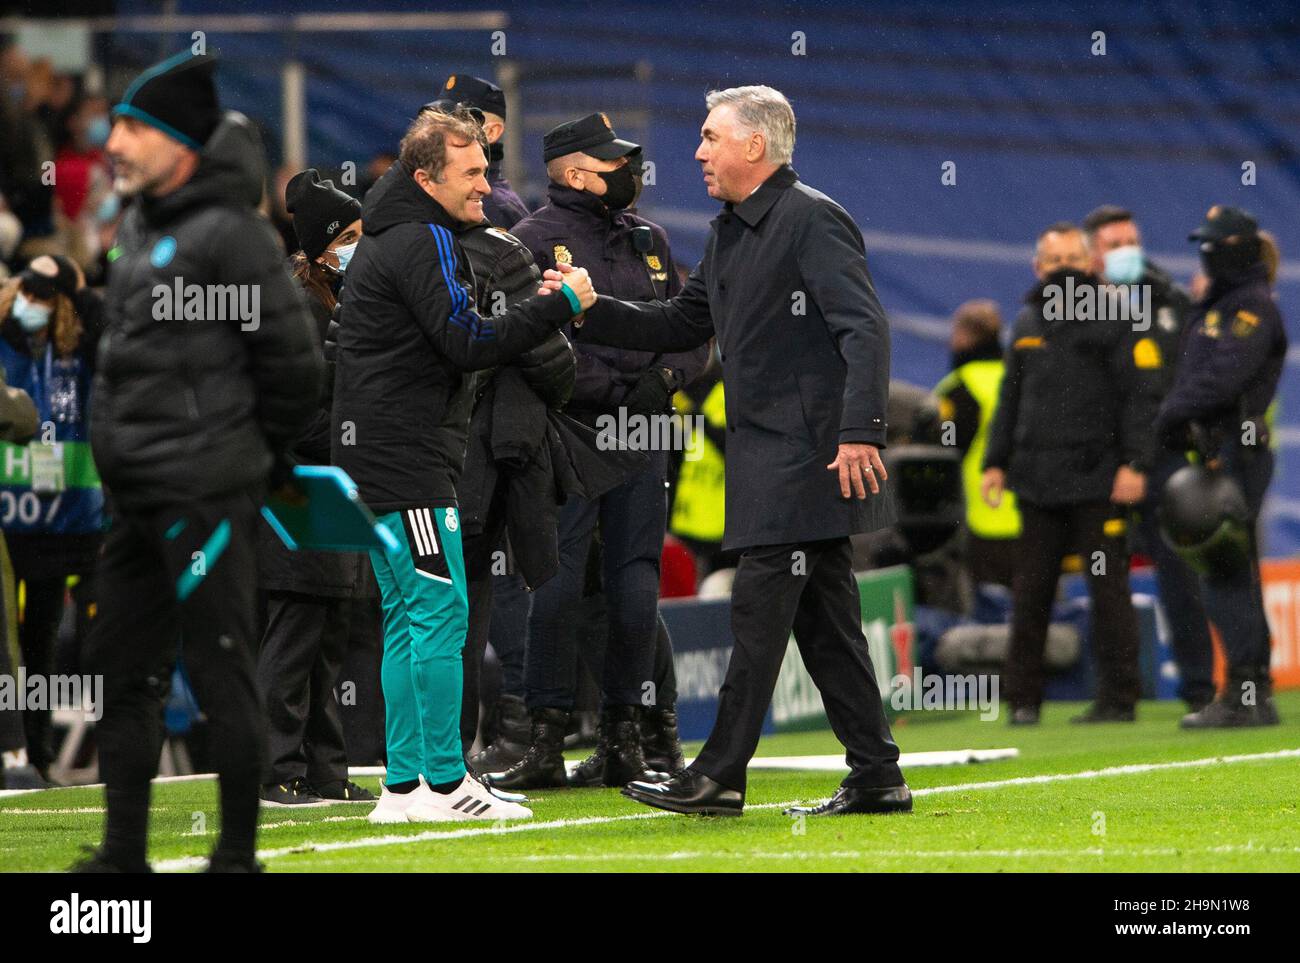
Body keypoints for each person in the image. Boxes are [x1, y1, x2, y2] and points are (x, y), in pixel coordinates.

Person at [566, 86, 908, 817]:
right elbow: (679, 321)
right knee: (827, 625)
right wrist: (588, 308)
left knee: (757, 618)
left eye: (710, 136)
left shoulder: (811, 218)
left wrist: (861, 431)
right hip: (774, 461)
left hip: (808, 460)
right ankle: (878, 773)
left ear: (754, 145)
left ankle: (718, 773)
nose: (697, 151)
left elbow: (865, 328)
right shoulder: (731, 230)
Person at [77, 51, 322, 873]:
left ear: (178, 141)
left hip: (205, 495)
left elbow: (294, 369)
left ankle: (236, 855)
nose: (115, 141)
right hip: (134, 499)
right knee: (123, 678)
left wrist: (252, 461)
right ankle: (121, 855)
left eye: (132, 127)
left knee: (223, 675)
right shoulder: (141, 224)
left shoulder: (233, 235)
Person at [330, 107, 595, 824]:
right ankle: (445, 782)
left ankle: (404, 784)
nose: (486, 183)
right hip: (409, 461)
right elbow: (468, 341)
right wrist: (558, 305)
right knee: (441, 612)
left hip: (374, 459)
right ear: (426, 178)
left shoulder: (389, 237)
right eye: (472, 171)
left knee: (406, 618)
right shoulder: (424, 238)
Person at [484, 113, 706, 791]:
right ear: (575, 172)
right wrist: (619, 387)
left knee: (635, 579)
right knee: (554, 580)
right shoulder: (530, 243)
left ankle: (624, 736)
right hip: (569, 428)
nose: (628, 174)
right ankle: (545, 738)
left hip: (641, 431)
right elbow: (523, 341)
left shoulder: (651, 238)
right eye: (613, 164)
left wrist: (665, 382)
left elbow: (692, 328)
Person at [982, 222, 1157, 726]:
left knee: (1107, 590)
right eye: (1052, 262)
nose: (1061, 271)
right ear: (1038, 267)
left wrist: (1135, 464)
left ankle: (1118, 699)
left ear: (1090, 264)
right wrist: (996, 462)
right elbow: (1009, 399)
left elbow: (1140, 399)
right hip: (1037, 481)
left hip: (1099, 479)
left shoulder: (1116, 319)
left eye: (1070, 261)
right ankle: (1022, 702)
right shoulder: (1028, 320)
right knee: (1031, 592)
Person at [255, 169, 374, 806]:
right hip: (300, 486)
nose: (361, 245)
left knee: (331, 635)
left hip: (336, 487)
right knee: (295, 630)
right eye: (349, 235)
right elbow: (294, 414)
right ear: (323, 245)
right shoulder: (296, 306)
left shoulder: (336, 300)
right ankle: (271, 769)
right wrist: (360, 434)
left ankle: (325, 768)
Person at [1156, 206, 1286, 728]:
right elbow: (1195, 372)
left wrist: (1170, 413)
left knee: (1226, 570)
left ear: (1234, 249)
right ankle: (1248, 689)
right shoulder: (1217, 305)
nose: (1205, 254)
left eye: (1213, 245)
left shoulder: (1252, 308)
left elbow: (1222, 377)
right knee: (1225, 571)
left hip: (1241, 449)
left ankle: (1248, 692)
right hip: (1213, 450)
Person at [1082, 204, 1214, 712]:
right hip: (1098, 464)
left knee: (1181, 577)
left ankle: (1200, 690)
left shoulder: (1170, 302)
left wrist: (1139, 461)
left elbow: (1179, 385)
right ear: (1094, 254)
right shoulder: (1074, 306)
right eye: (1114, 245)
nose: (1126, 253)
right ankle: (1115, 696)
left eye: (1131, 241)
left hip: (1163, 461)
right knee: (1104, 583)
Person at [0, 254, 106, 782]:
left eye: (45, 296)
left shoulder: (82, 342)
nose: (30, 305)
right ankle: (20, 755)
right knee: (18, 647)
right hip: (12, 520)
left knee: (59, 644)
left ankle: (43, 757)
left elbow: (110, 328)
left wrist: (80, 290)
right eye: (27, 291)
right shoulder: (2, 337)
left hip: (73, 521)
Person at [932, 299, 1020, 587]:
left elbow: (945, 450)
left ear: (962, 336)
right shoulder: (1018, 378)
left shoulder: (959, 387)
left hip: (981, 516)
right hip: (1029, 515)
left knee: (986, 613)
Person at [430, 74, 529, 229]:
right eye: (438, 120)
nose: (440, 129)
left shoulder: (491, 206)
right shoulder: (452, 191)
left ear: (491, 132)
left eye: (458, 122)